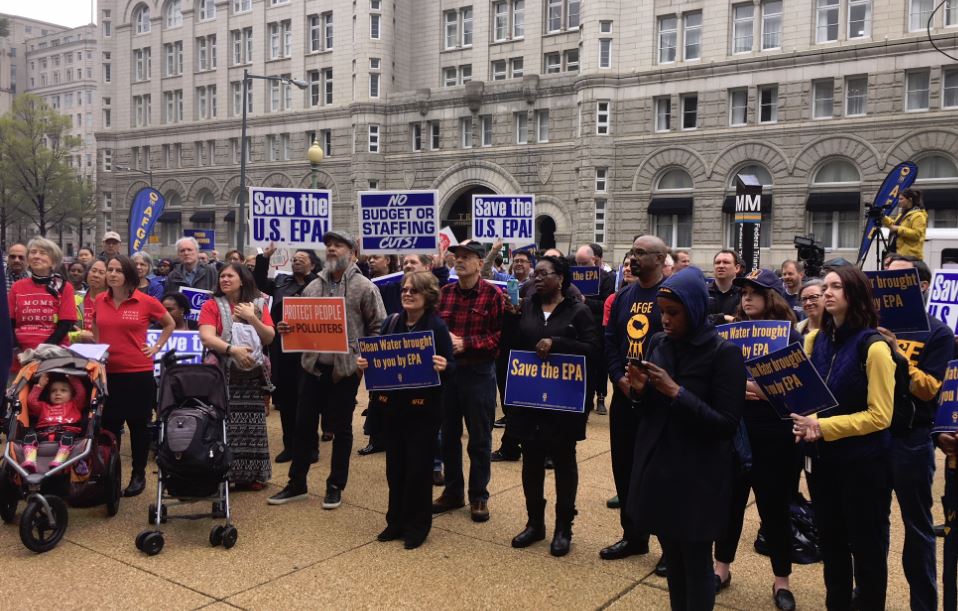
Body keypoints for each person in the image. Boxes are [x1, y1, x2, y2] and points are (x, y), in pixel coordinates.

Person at [625, 266, 745, 611]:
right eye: (662, 312)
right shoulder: (659, 343)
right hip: (659, 466)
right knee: (672, 561)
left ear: (693, 309)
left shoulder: (724, 355)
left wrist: (677, 392)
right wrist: (640, 392)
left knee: (695, 562)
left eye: (673, 313)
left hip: (698, 474)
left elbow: (726, 424)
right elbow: (648, 409)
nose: (665, 319)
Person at [790, 265, 896, 611]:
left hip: (864, 465)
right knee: (832, 547)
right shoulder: (814, 340)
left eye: (837, 287)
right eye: (825, 287)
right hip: (822, 465)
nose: (827, 292)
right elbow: (806, 396)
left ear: (856, 295)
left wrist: (823, 426)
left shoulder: (875, 347)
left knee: (867, 549)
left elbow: (880, 415)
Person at [268, 231, 386, 509]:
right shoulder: (312, 287)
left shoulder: (365, 287)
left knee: (341, 430)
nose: (332, 249)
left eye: (338, 245)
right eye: (329, 246)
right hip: (312, 369)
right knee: (302, 426)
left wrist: (359, 364)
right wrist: (287, 328)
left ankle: (335, 485)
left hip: (344, 372)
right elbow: (299, 324)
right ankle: (296, 483)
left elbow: (378, 328)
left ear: (353, 254)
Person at [712, 269, 801, 611]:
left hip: (774, 433)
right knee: (730, 504)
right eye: (743, 292)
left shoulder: (788, 336)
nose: (746, 297)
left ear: (772, 297)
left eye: (754, 292)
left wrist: (767, 392)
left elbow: (800, 390)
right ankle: (721, 570)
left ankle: (782, 581)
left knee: (774, 509)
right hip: (736, 427)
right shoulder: (728, 334)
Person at [503, 255, 601, 556]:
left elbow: (594, 351)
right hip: (530, 397)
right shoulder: (527, 307)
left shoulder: (579, 311)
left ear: (561, 277)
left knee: (563, 460)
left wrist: (558, 343)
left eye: (545, 274)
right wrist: (510, 317)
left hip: (563, 400)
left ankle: (563, 527)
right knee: (531, 459)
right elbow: (511, 347)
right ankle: (535, 523)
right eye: (536, 274)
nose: (538, 278)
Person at [878, 254, 953, 611]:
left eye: (899, 278)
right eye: (885, 278)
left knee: (918, 528)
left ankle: (923, 603)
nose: (888, 284)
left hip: (911, 441)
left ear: (921, 286)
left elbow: (929, 389)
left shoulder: (938, 332)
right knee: (872, 525)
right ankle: (869, 593)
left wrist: (896, 353)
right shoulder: (872, 325)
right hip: (873, 436)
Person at [358, 271, 454, 549]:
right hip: (393, 409)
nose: (408, 294)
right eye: (405, 290)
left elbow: (452, 367)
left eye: (415, 290)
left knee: (418, 470)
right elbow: (381, 360)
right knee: (395, 467)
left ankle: (418, 524)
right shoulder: (392, 323)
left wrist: (444, 366)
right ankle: (395, 520)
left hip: (423, 411)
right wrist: (368, 364)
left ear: (428, 296)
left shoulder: (436, 326)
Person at [601, 235, 667, 569]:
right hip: (626, 396)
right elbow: (611, 340)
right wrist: (619, 379)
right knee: (624, 467)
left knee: (660, 472)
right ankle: (634, 536)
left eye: (641, 253)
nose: (633, 258)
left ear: (660, 258)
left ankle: (670, 546)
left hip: (658, 400)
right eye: (632, 252)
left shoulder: (671, 296)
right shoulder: (624, 296)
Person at [432, 241, 504, 523]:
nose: (459, 261)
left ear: (479, 262)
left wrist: (467, 343)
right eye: (456, 257)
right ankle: (453, 491)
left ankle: (478, 496)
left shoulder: (492, 295)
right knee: (448, 437)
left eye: (466, 257)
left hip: (479, 374)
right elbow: (435, 331)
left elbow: (498, 337)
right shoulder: (444, 294)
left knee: (479, 438)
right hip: (448, 375)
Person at [94, 255, 174, 497]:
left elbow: (169, 323)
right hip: (108, 373)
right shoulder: (99, 299)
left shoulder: (146, 301)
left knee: (138, 425)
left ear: (129, 275)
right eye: (110, 269)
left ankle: (138, 474)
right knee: (109, 426)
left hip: (138, 373)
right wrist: (96, 350)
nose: (113, 274)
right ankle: (110, 473)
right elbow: (96, 327)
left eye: (118, 270)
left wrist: (157, 347)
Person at [199, 263, 276, 490]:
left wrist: (252, 317)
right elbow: (206, 337)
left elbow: (269, 337)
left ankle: (252, 476)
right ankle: (225, 473)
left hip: (251, 377)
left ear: (242, 280)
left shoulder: (259, 304)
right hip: (223, 376)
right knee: (224, 427)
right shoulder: (212, 305)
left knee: (253, 428)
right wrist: (233, 350)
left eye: (230, 275)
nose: (224, 279)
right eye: (222, 276)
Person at [253, 244, 321, 464]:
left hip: (311, 352)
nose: (297, 260)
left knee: (308, 401)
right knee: (287, 401)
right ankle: (289, 446)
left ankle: (310, 447)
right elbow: (257, 283)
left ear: (312, 263)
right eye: (295, 258)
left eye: (302, 258)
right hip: (284, 351)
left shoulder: (321, 285)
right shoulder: (282, 282)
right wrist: (264, 258)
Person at [9, 238, 77, 367]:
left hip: (52, 356)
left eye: (42, 253)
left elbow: (66, 324)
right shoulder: (17, 287)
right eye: (33, 252)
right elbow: (9, 322)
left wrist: (41, 352)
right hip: (20, 357)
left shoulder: (64, 287)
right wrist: (17, 349)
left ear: (53, 261)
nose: (36, 256)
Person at [575, 244, 614, 415]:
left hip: (597, 327)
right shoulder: (573, 277)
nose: (582, 268)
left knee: (600, 363)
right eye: (579, 264)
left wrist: (586, 302)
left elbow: (606, 304)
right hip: (578, 327)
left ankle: (601, 397)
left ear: (595, 260)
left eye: (585, 264)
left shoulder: (606, 278)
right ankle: (584, 398)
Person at [22, 373, 88, 472]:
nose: (58, 393)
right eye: (54, 391)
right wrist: (40, 386)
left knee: (68, 436)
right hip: (44, 433)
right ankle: (30, 460)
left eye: (63, 390)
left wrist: (73, 379)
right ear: (49, 395)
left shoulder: (74, 405)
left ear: (72, 394)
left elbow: (81, 393)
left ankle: (59, 460)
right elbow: (31, 401)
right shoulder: (43, 407)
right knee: (30, 436)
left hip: (66, 433)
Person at [71, 259, 109, 343]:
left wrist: (94, 336)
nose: (96, 275)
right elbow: (64, 335)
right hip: (78, 352)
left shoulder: (114, 302)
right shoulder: (73, 300)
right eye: (93, 271)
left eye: (101, 273)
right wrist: (78, 336)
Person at [883, 188, 927, 260]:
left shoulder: (919, 215)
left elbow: (917, 234)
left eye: (901, 199)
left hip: (909, 257)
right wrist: (882, 217)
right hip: (898, 254)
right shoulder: (903, 214)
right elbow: (893, 224)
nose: (899, 201)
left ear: (910, 199)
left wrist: (898, 229)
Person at [708, 250, 742, 324]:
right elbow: (697, 319)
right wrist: (724, 318)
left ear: (737, 268)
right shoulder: (703, 293)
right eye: (717, 262)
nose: (721, 266)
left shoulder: (743, 294)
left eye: (726, 262)